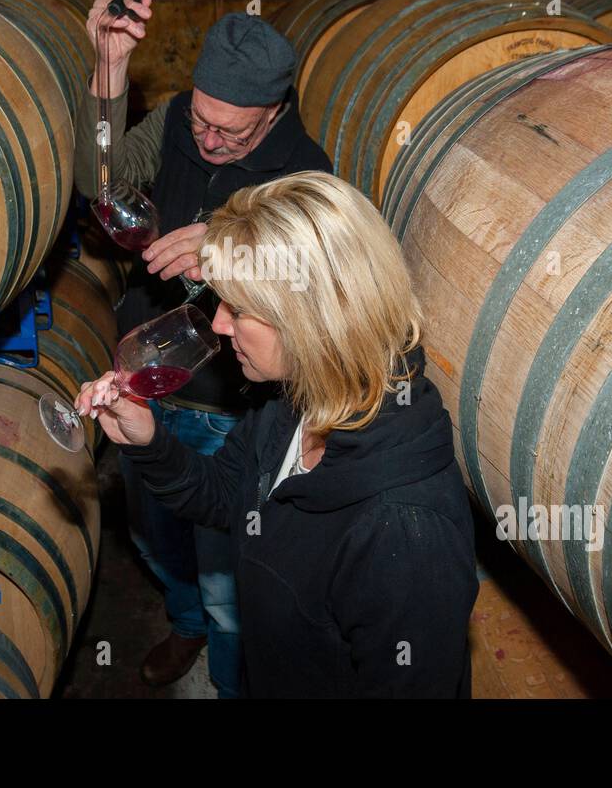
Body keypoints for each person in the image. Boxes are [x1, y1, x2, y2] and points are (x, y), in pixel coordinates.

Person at [74, 172, 479, 697]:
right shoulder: (299, 398)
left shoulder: (405, 532)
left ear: (310, 321)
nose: (217, 326)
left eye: (237, 310)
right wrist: (149, 440)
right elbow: (229, 497)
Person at [75, 0, 331, 696]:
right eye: (202, 126)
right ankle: (182, 620)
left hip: (232, 411)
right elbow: (98, 181)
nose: (210, 141)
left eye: (232, 133)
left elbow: (318, 298)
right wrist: (110, 72)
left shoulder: (306, 174)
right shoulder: (183, 117)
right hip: (148, 381)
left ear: (274, 113)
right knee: (158, 542)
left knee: (229, 579)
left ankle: (222, 665)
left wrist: (229, 249)